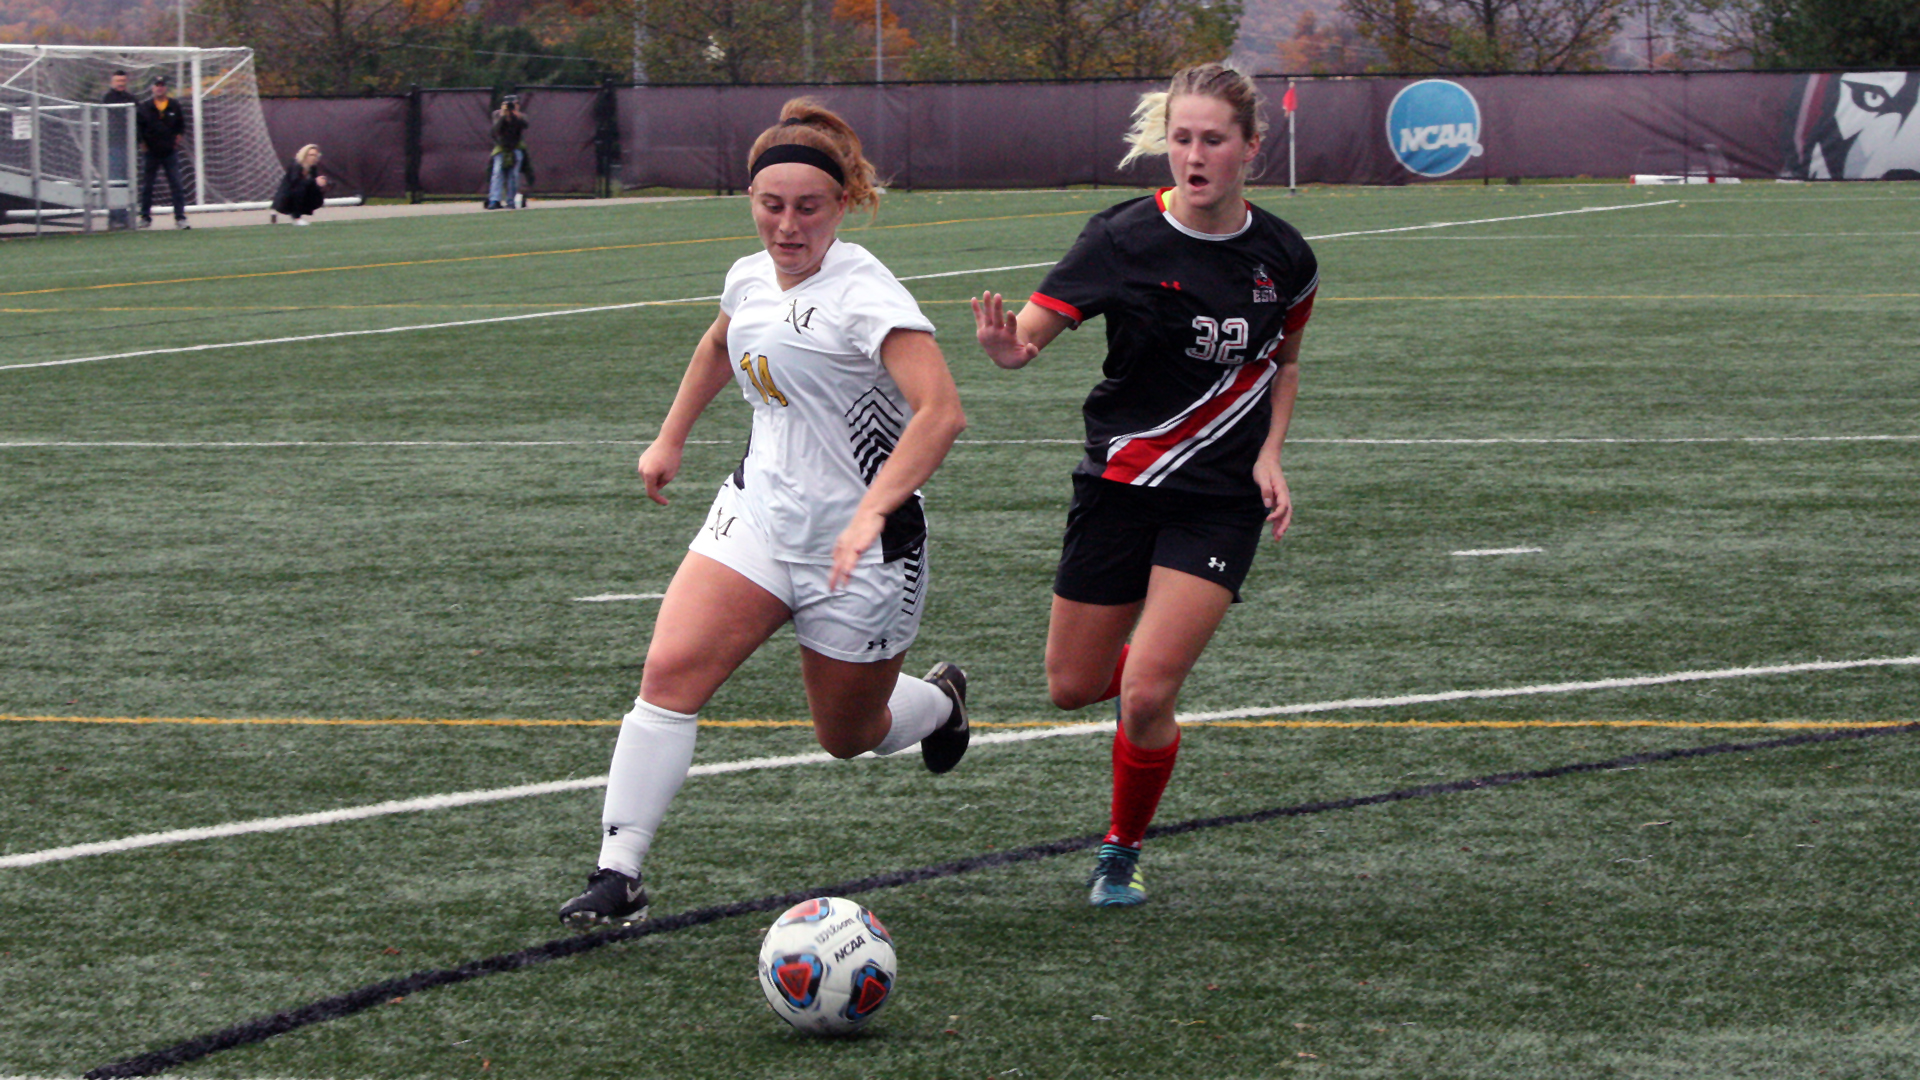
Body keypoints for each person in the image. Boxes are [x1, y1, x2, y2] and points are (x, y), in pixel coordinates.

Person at [558, 97, 973, 930]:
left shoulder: (864, 293)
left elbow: (941, 413)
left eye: (807, 208)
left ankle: (941, 705)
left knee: (848, 736)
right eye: (770, 206)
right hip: (754, 518)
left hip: (862, 549)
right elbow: (720, 343)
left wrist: (870, 513)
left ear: (843, 203)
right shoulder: (749, 275)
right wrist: (669, 438)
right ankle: (620, 870)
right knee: (668, 681)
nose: (787, 227)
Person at [972, 63, 1318, 908]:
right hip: (1120, 487)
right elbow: (1029, 339)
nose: (1193, 156)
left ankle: (1119, 853)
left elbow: (1284, 364)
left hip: (1220, 501)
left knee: (1148, 690)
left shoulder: (1285, 258)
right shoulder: (1121, 237)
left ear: (1250, 147)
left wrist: (1272, 453)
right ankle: (1136, 676)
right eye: (1182, 138)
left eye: (1212, 140)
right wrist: (1007, 348)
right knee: (1069, 687)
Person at [136, 75, 190, 230]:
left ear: (165, 87)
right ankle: (145, 217)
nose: (159, 88)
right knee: (148, 186)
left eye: (162, 85)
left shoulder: (174, 105)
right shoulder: (145, 106)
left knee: (177, 184)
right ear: (152, 88)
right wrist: (142, 144)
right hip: (151, 152)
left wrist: (176, 139)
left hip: (169, 152)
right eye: (156, 85)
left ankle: (180, 217)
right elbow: (138, 128)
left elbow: (181, 125)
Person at [101, 70, 135, 229]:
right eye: (117, 81)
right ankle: (117, 216)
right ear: (112, 82)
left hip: (129, 145)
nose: (120, 83)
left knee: (127, 180)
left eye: (123, 80)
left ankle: (121, 215)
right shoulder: (109, 98)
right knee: (116, 180)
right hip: (114, 145)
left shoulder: (131, 98)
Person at [272, 144, 330, 225]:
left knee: (316, 193)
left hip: (301, 195)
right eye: (310, 155)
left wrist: (321, 183)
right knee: (299, 190)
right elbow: (295, 182)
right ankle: (297, 218)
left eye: (315, 155)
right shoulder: (296, 165)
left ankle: (303, 211)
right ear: (304, 155)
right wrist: (314, 181)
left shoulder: (312, 167)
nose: (313, 157)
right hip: (287, 197)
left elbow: (311, 182)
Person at [487, 94, 528, 210]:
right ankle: (494, 200)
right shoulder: (497, 114)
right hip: (501, 148)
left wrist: (515, 115)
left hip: (515, 148)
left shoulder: (521, 116)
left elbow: (525, 125)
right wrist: (503, 116)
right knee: (497, 174)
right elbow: (495, 130)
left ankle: (511, 200)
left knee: (513, 175)